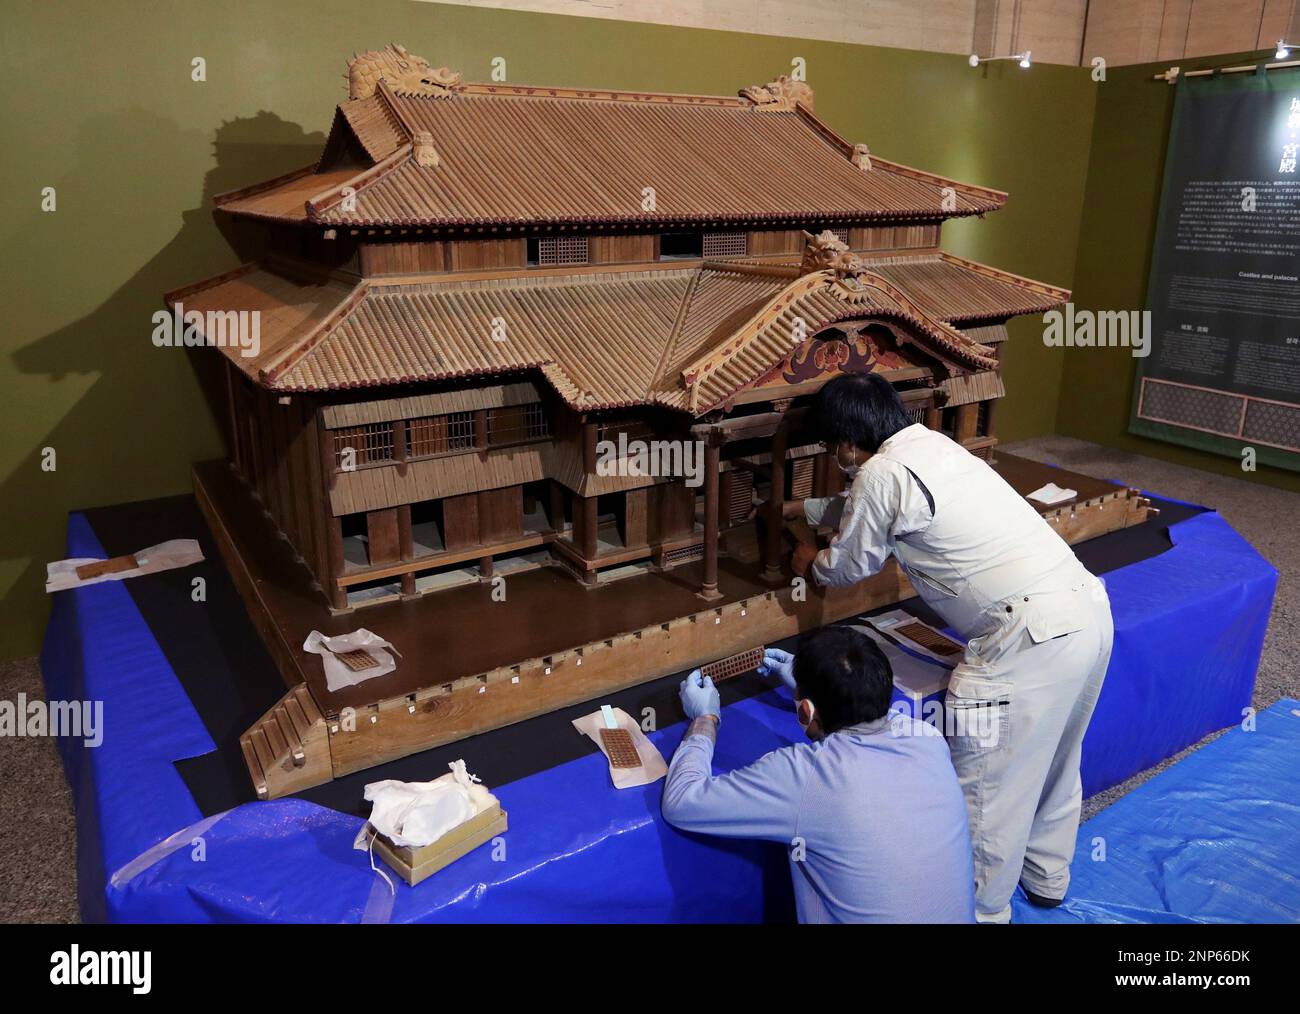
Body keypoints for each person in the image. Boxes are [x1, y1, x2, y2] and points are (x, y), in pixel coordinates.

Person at [785, 372, 1113, 922]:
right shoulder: (931, 445)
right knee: (1056, 757)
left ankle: (977, 913)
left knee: (988, 790)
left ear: (844, 442)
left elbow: (850, 564)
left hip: (1025, 636)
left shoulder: (880, 473)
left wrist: (808, 561)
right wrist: (812, 512)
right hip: (1087, 611)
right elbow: (874, 504)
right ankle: (1047, 878)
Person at [660, 626, 976, 924]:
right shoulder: (928, 738)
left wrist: (705, 718)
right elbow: (871, 711)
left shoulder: (805, 776)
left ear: (806, 712)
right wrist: (825, 684)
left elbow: (683, 801)